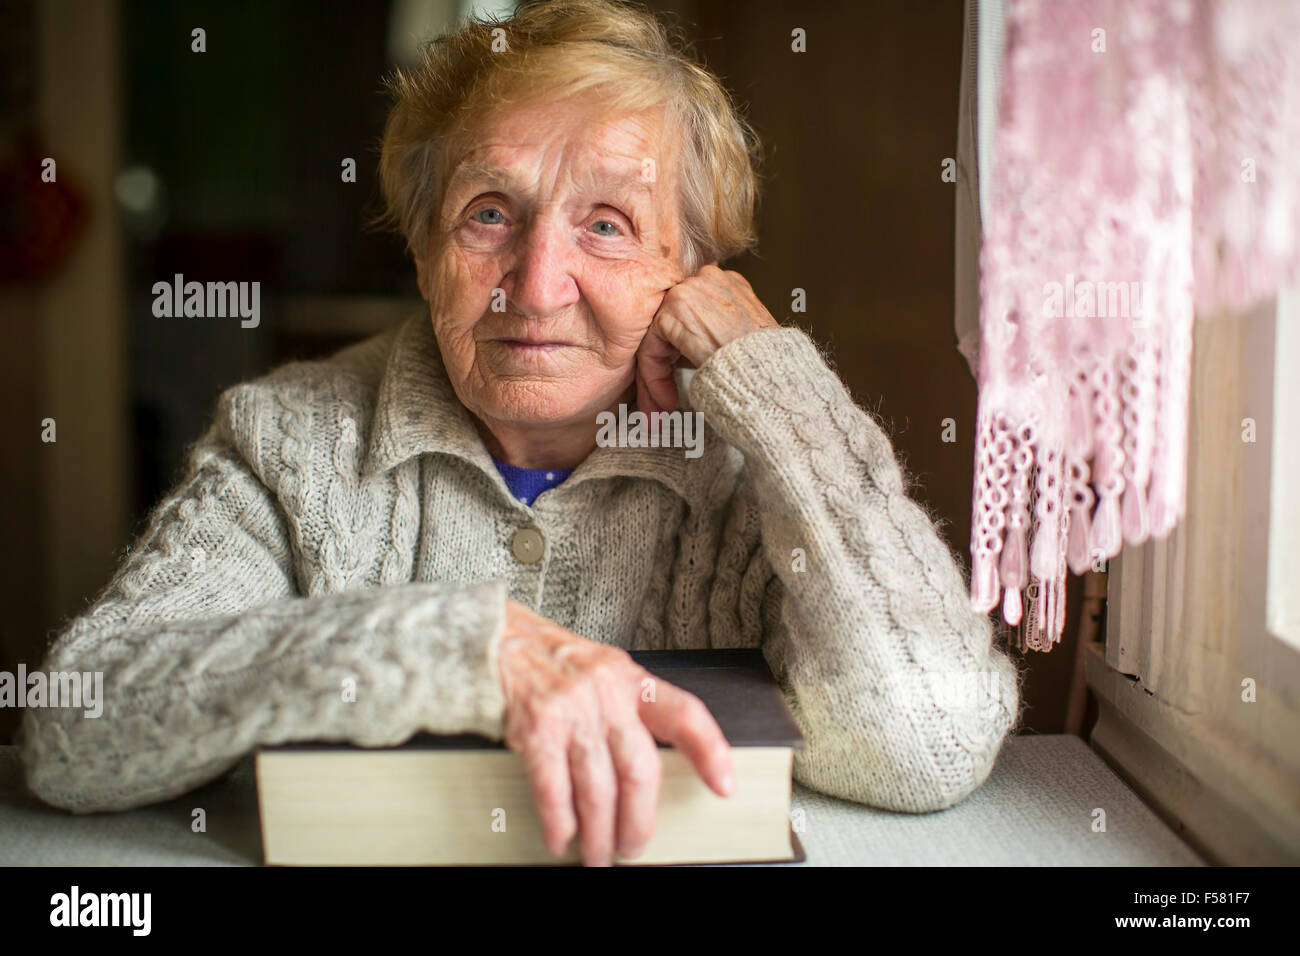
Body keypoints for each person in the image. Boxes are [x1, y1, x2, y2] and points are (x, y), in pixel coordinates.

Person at [20, 0, 1022, 866]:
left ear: (694, 267)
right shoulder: (292, 440)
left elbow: (924, 741)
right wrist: (459, 646)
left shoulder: (751, 469)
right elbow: (74, 725)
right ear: (421, 249)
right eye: (489, 213)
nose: (538, 286)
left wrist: (780, 389)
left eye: (607, 225)